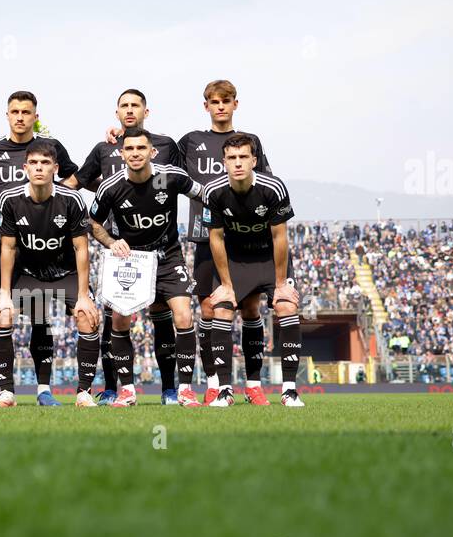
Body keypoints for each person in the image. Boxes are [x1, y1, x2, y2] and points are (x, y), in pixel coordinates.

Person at [74, 88, 183, 403]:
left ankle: (170, 389)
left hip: (160, 248)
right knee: (115, 318)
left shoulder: (165, 145)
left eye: (136, 105)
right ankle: (114, 388)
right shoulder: (103, 148)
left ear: (146, 112)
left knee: (163, 318)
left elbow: (176, 183)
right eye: (124, 105)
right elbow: (81, 181)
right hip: (120, 249)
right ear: (116, 112)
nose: (130, 109)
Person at [87, 126, 203, 407]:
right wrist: (111, 241)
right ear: (122, 152)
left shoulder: (169, 176)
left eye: (141, 148)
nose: (135, 153)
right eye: (130, 148)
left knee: (184, 316)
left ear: (152, 152)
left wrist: (209, 226)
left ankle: (185, 390)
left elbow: (205, 195)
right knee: (119, 320)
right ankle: (127, 391)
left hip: (167, 258)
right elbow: (92, 223)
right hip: (131, 262)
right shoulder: (111, 186)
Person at [0, 139, 101, 407]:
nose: (39, 168)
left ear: (55, 168)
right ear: (25, 167)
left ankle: (84, 393)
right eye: (34, 163)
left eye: (45, 163)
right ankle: (7, 393)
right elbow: (7, 248)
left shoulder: (71, 199)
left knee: (87, 316)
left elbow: (80, 248)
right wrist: (4, 294)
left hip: (65, 272)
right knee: (2, 314)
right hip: (28, 272)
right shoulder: (10, 198)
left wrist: (84, 295)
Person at [177, 79, 271, 403]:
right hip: (205, 234)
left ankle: (254, 385)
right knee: (209, 308)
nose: (220, 106)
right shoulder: (190, 141)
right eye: (214, 101)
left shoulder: (249, 142)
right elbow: (162, 169)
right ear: (206, 106)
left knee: (249, 307)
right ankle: (216, 383)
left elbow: (266, 181)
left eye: (226, 101)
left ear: (235, 104)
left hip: (244, 238)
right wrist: (124, 138)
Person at [203, 133, 305, 407]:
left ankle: (289, 390)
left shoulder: (273, 188)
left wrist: (281, 283)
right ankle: (225, 390)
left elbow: (280, 238)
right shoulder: (212, 192)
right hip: (235, 259)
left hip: (269, 258)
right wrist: (225, 283)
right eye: (232, 158)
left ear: (254, 160)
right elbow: (216, 238)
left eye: (244, 157)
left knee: (286, 306)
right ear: (223, 161)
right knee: (221, 308)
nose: (238, 163)